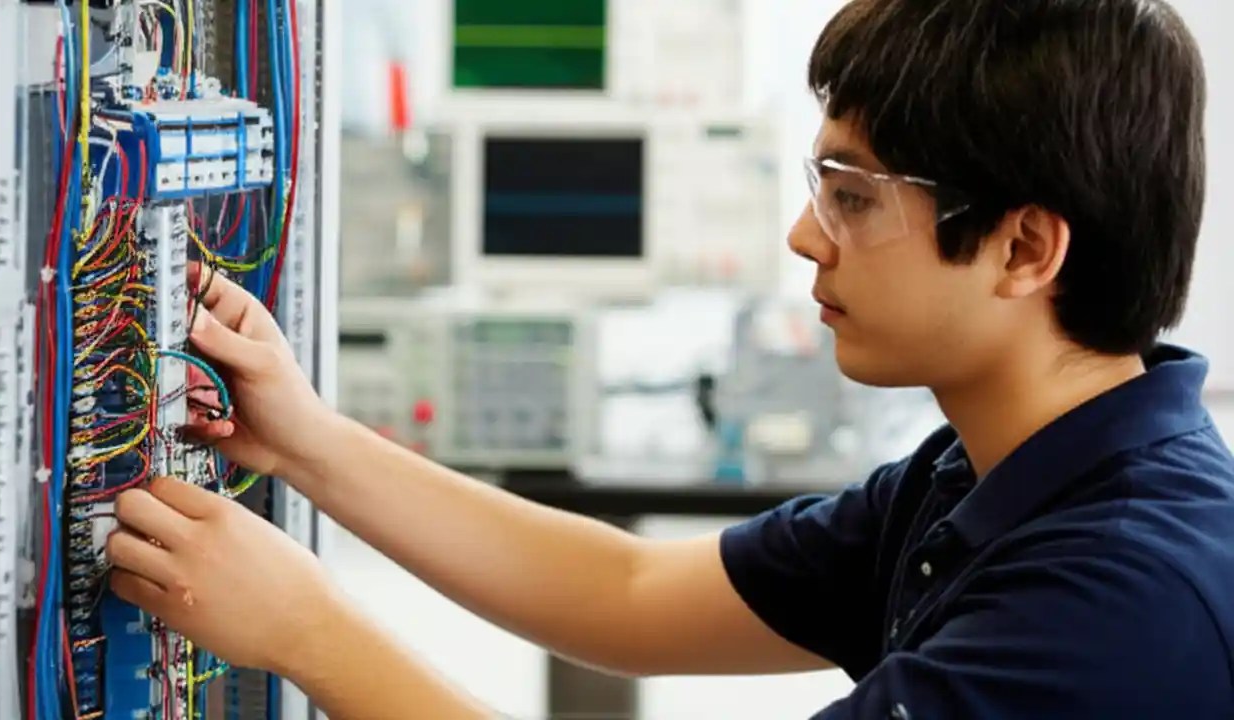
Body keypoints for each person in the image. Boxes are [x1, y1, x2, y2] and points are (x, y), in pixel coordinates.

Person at [105, 0, 1234, 717]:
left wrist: (305, 630)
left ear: (1023, 247)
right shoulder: (994, 478)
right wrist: (306, 441)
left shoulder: (1114, 603)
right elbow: (628, 594)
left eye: (850, 198)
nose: (803, 236)